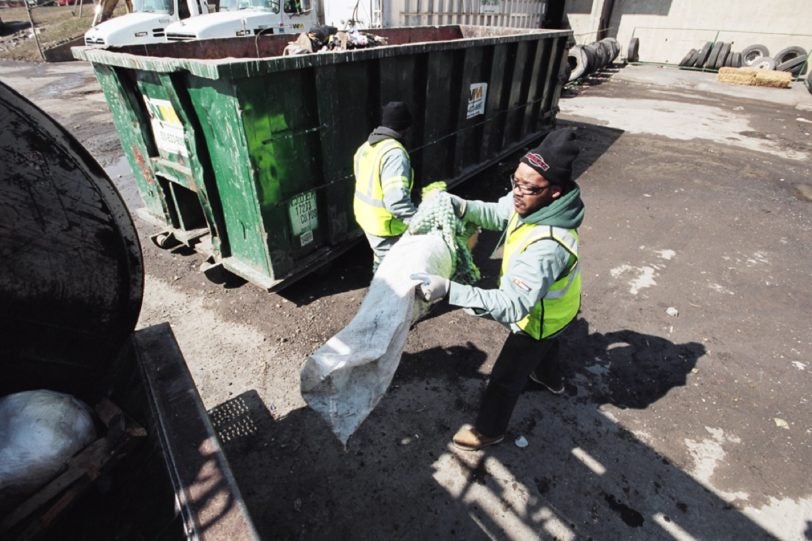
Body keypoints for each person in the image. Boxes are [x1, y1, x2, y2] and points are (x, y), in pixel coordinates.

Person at [412, 127, 585, 451]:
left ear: (555, 191)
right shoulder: (532, 202)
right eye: (515, 181)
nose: (517, 192)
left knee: (505, 379)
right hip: (561, 310)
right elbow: (498, 213)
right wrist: (461, 206)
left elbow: (511, 306)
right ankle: (551, 380)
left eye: (528, 187)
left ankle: (488, 430)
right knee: (548, 346)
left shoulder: (547, 246)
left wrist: (449, 290)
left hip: (538, 318)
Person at [353, 101, 417, 271]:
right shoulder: (395, 154)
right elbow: (396, 201)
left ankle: (377, 287)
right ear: (405, 128)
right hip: (384, 224)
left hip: (366, 217)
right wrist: (417, 221)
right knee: (395, 270)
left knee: (381, 261)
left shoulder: (366, 146)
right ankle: (384, 295)